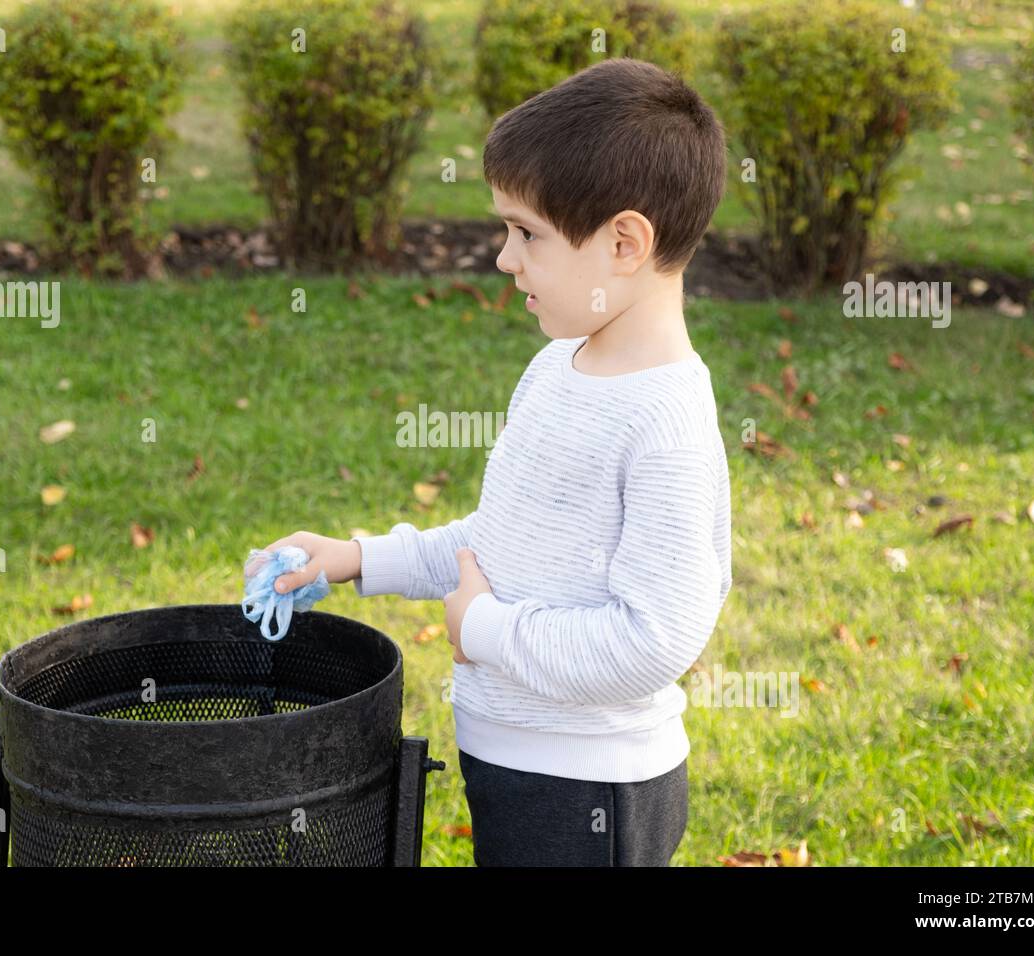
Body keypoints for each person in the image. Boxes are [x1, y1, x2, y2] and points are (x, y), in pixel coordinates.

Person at [263, 57, 732, 866]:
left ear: (624, 243)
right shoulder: (558, 368)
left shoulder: (665, 422)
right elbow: (499, 543)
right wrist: (356, 558)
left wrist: (484, 629)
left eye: (526, 234)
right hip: (516, 762)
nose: (504, 259)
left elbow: (653, 641)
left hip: (590, 793)